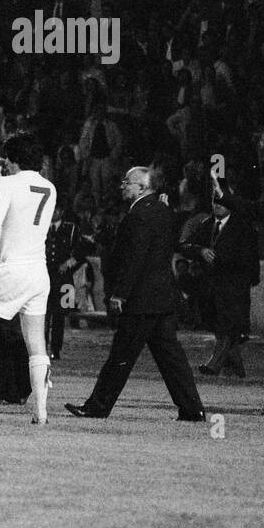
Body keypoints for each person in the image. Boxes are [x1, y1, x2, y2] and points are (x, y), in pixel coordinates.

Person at [66, 167, 206, 422]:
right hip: (161, 297)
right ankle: (192, 408)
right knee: (171, 358)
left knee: (121, 356)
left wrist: (120, 294)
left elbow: (134, 259)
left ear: (143, 187)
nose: (122, 185)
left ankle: (97, 406)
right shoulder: (164, 211)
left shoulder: (138, 215)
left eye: (127, 182)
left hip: (141, 300)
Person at [0, 132, 57, 424]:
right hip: (38, 272)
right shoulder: (50, 188)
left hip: (9, 267)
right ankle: (40, 412)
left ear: (12, 158)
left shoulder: (7, 184)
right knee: (36, 343)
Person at [185, 183, 258, 378]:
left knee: (228, 326)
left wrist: (222, 259)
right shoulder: (207, 225)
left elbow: (247, 258)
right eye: (214, 201)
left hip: (234, 286)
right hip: (213, 288)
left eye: (221, 201)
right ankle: (236, 368)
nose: (217, 205)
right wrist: (200, 251)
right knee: (223, 328)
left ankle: (214, 364)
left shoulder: (242, 226)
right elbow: (185, 245)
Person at [44, 202, 90, 361]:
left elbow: (82, 251)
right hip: (44, 278)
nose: (53, 212)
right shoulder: (42, 227)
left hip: (64, 279)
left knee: (60, 316)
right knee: (43, 315)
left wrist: (68, 264)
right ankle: (42, 348)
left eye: (56, 209)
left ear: (61, 211)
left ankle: (55, 349)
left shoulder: (71, 229)